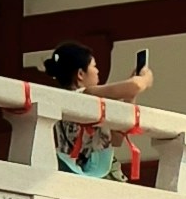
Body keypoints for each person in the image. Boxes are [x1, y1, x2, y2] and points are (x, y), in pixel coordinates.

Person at [38, 42, 152, 177]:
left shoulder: (64, 100)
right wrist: (145, 79)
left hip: (77, 169)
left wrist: (130, 95)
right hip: (97, 171)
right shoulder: (87, 94)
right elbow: (135, 86)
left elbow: (117, 139)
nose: (97, 71)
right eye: (94, 66)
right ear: (80, 74)